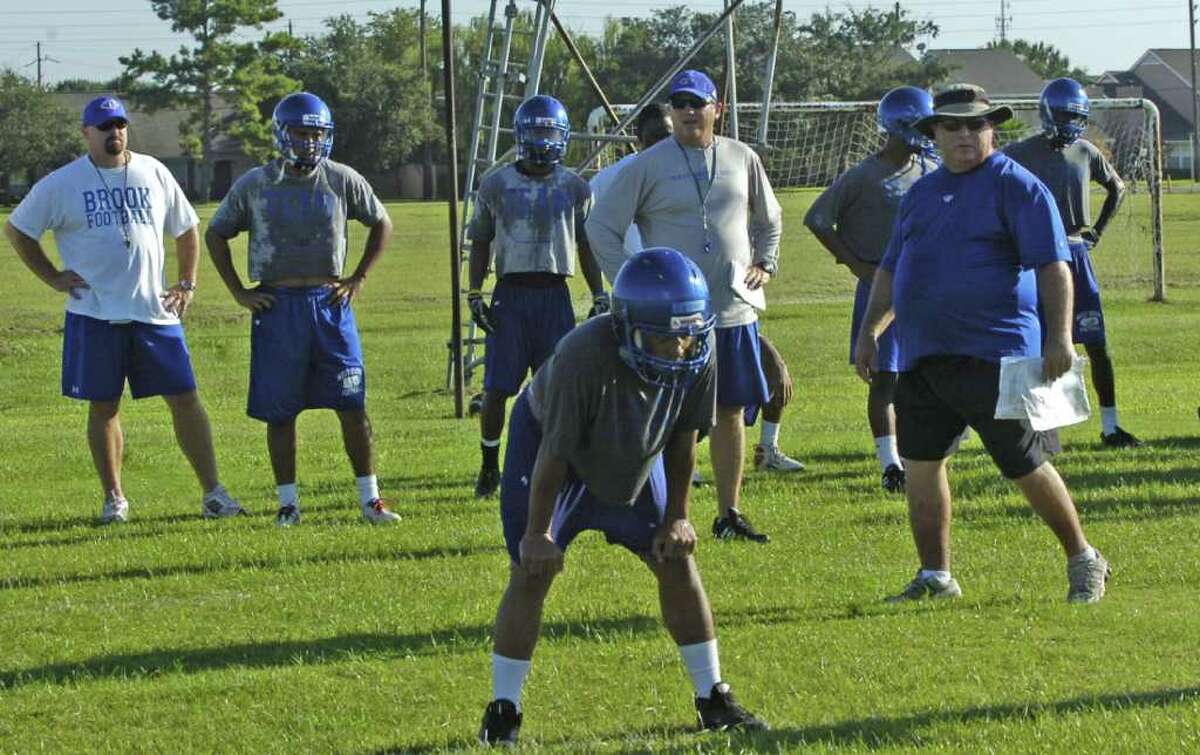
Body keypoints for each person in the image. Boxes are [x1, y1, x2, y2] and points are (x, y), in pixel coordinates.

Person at [477, 248, 767, 745]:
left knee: (676, 559)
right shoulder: (582, 354)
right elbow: (555, 452)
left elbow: (682, 437)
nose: (678, 348)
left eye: (686, 335)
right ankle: (503, 710)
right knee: (531, 572)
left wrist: (678, 516)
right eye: (663, 336)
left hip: (635, 444)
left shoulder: (700, 346)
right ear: (627, 325)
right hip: (553, 452)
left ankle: (712, 696)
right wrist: (539, 533)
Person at [854, 84, 1111, 604]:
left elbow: (1053, 266)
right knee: (920, 465)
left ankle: (1084, 558)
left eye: (976, 124)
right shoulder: (921, 194)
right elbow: (891, 269)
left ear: (993, 129)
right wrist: (869, 332)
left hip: (996, 352)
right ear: (935, 134)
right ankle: (935, 577)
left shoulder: (1017, 186)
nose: (965, 134)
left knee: (1024, 462)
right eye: (953, 125)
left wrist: (1060, 336)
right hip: (925, 353)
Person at [5, 95, 242, 524]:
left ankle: (213, 493)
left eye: (120, 124)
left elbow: (187, 227)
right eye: (104, 126)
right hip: (94, 315)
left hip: (154, 312)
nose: (114, 132)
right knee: (104, 406)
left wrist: (187, 283)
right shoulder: (62, 183)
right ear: (86, 133)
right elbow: (19, 229)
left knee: (186, 400)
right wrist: (52, 277)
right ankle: (115, 499)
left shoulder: (153, 171)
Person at [587, 69, 783, 543]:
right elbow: (600, 229)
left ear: (719, 109)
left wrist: (766, 262)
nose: (690, 112)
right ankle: (668, 513)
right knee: (672, 416)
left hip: (733, 310)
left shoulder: (742, 157)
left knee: (731, 411)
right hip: (675, 320)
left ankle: (728, 513)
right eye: (680, 103)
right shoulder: (647, 165)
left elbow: (770, 217)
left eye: (699, 103)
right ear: (671, 112)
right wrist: (632, 286)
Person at [205, 91, 399, 527]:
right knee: (281, 410)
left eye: (317, 134)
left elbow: (381, 222)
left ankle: (370, 499)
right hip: (278, 306)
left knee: (352, 402)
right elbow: (216, 234)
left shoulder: (341, 178)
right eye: (301, 133)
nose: (310, 142)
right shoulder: (256, 184)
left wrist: (358, 278)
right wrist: (239, 291)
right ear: (282, 133)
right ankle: (288, 503)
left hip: (329, 305)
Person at [467, 94, 606, 500]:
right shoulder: (496, 183)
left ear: (562, 136)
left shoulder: (576, 187)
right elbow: (480, 240)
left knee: (558, 390)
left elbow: (585, 244)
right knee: (497, 388)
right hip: (511, 295)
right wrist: (476, 292)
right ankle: (489, 465)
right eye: (537, 132)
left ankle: (556, 467)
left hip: (554, 295)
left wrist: (599, 293)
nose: (544, 141)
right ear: (521, 135)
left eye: (550, 132)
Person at [804, 86, 938, 493]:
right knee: (885, 378)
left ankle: (928, 449)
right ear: (895, 126)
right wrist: (856, 263)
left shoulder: (931, 168)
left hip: (928, 289)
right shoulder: (864, 175)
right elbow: (818, 219)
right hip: (885, 287)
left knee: (930, 373)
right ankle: (890, 464)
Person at [1003, 77, 1141, 448]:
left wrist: (1097, 230)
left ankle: (1111, 426)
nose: (1069, 121)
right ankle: (1032, 429)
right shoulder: (1019, 153)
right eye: (1063, 113)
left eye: (1076, 115)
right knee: (1033, 344)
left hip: (1076, 252)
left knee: (1096, 342)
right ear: (1047, 112)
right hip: (1035, 258)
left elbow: (1118, 187)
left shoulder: (1085, 150)